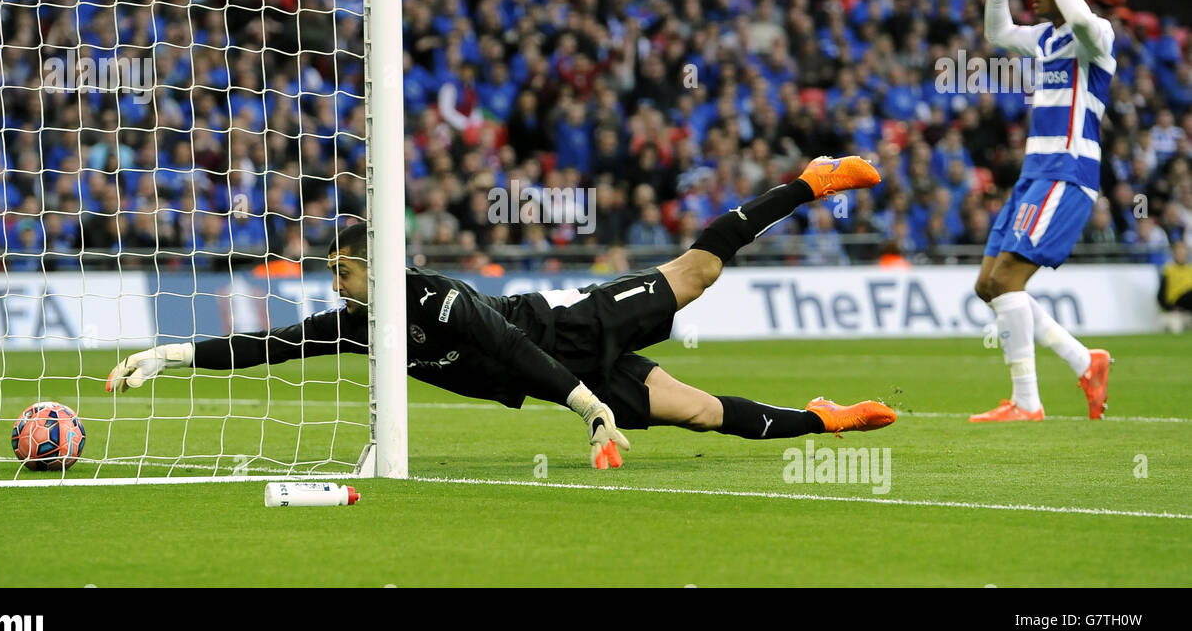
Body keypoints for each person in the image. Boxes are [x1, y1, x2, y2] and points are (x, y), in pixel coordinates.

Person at [107, 157, 896, 469]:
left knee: (694, 274)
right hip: (567, 376)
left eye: (340, 270)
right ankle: (824, 420)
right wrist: (170, 355)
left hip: (570, 330)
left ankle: (808, 184)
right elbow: (269, 346)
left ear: (369, 263)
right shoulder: (358, 325)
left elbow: (516, 356)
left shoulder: (432, 298)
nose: (334, 284)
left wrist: (586, 409)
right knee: (703, 414)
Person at [973, 0, 1113, 423]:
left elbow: (1080, 15)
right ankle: (1084, 360)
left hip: (1068, 173)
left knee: (1009, 279)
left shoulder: (1096, 36)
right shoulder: (1046, 38)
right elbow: (997, 33)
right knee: (988, 284)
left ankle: (1027, 403)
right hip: (1034, 175)